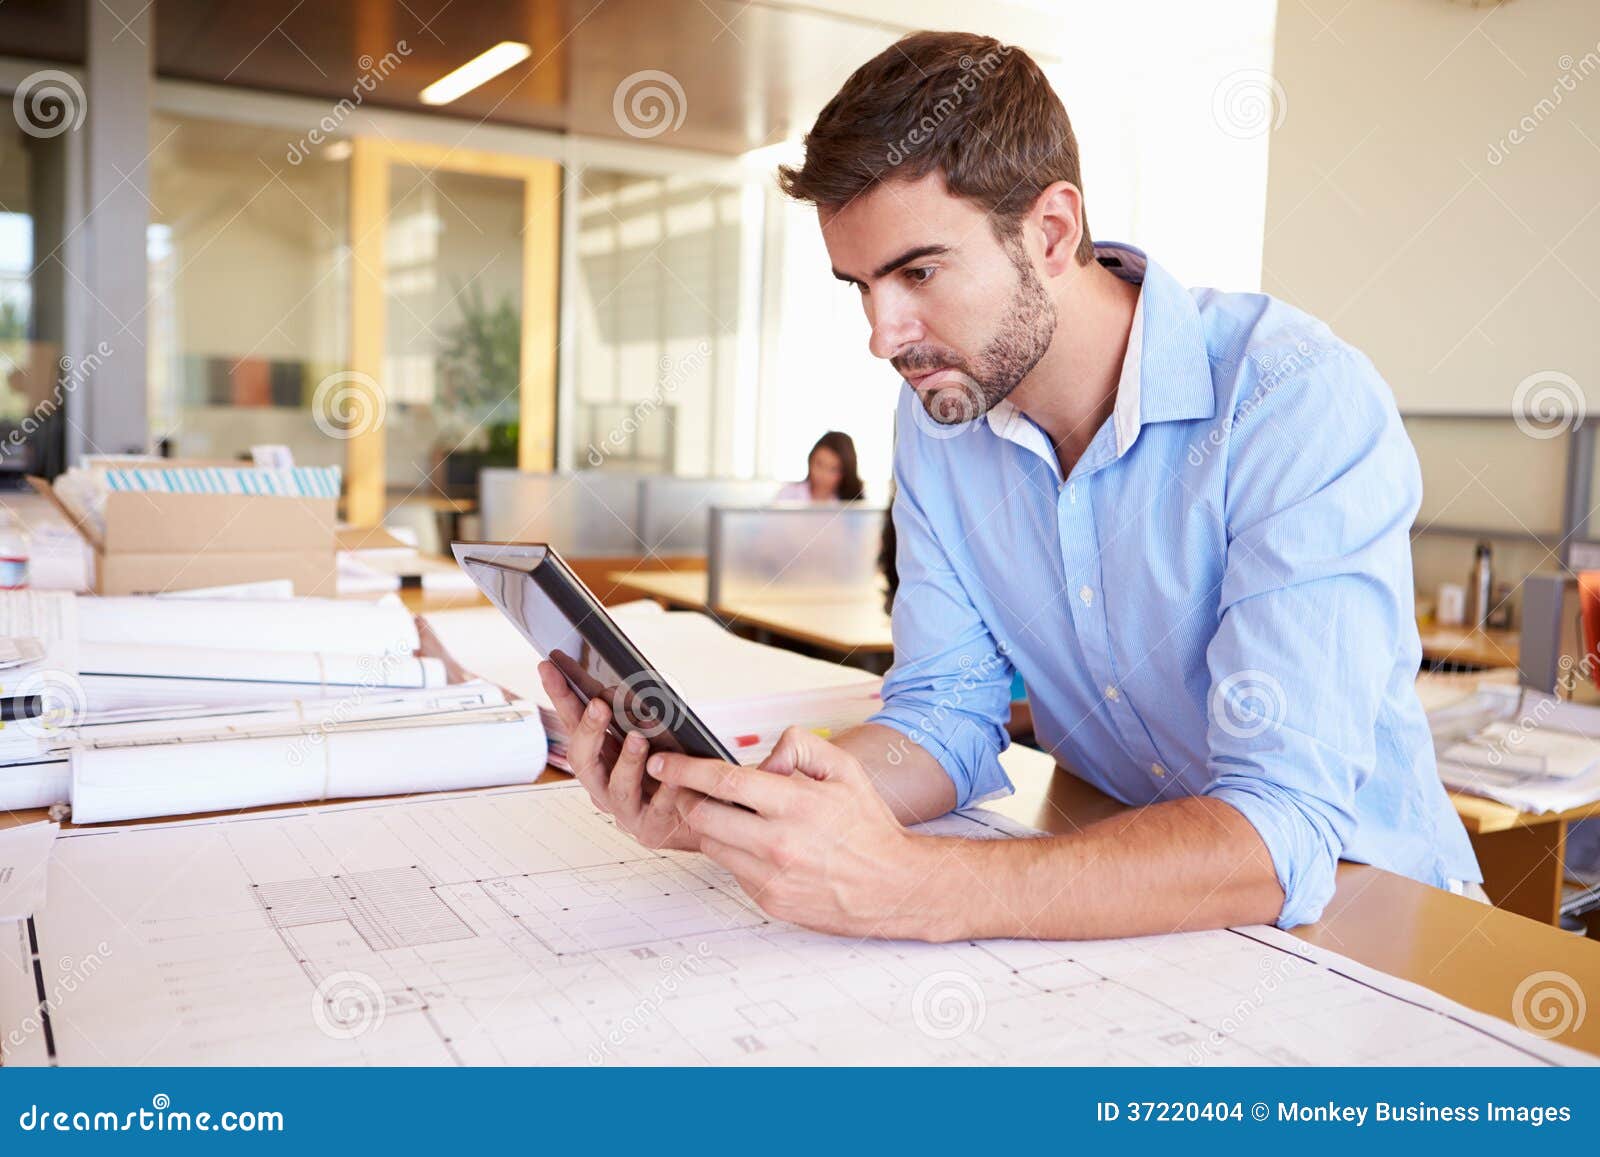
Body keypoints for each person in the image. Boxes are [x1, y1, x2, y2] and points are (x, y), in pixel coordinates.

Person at [538, 30, 1480, 941]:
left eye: (918, 271)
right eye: (859, 285)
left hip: (1375, 922)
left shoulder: (1292, 399)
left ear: (1054, 230)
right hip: (1147, 909)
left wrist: (917, 888)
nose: (883, 333)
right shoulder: (942, 419)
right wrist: (739, 809)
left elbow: (1282, 831)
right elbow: (944, 716)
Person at [775, 430, 866, 502]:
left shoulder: (854, 505)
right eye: (819, 464)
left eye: (833, 469)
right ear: (810, 460)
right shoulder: (787, 495)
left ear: (845, 472)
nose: (822, 474)